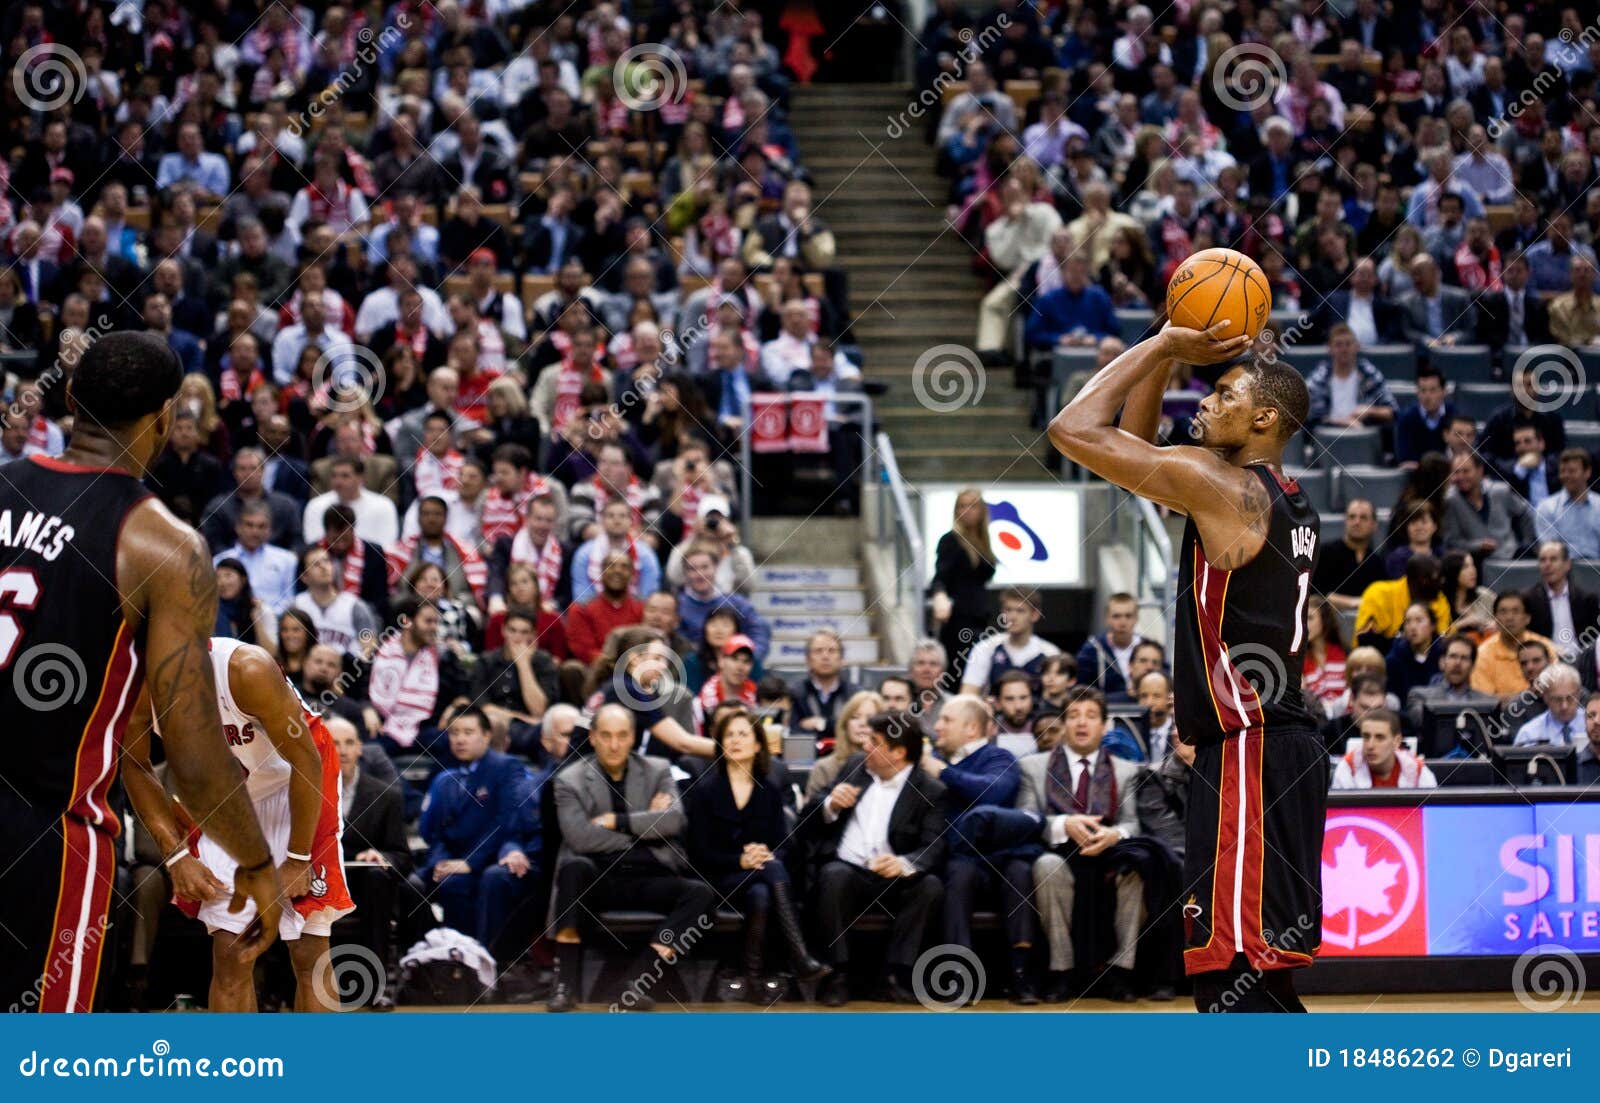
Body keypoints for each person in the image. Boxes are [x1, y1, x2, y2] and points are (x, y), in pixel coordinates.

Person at [1049, 321, 1328, 1012]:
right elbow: (1140, 456)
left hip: (1250, 755)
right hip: (1274, 751)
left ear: (1264, 416)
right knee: (1258, 974)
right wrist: (1164, 355)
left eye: (1224, 392)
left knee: (1232, 979)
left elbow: (1072, 428)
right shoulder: (1279, 496)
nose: (1206, 401)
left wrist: (1161, 345)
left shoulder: (1220, 486)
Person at [0, 332, 280, 1012]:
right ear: (165, 414)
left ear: (69, 400)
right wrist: (256, 861)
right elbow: (190, 746)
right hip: (48, 836)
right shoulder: (164, 544)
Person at [125, 637, 353, 1012]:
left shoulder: (248, 669)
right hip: (230, 800)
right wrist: (177, 855)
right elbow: (135, 764)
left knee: (308, 947)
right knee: (231, 951)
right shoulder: (135, 689)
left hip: (296, 783)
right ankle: (239, 1064)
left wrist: (297, 858)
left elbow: (307, 763)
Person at [545, 704, 716, 1013]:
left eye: (622, 736)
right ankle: (564, 985)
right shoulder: (569, 779)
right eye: (606, 736)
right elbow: (580, 837)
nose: (614, 744)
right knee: (572, 868)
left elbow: (674, 821)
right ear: (593, 738)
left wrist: (617, 820)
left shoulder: (658, 769)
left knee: (700, 894)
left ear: (633, 737)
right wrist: (646, 825)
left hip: (648, 874)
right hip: (598, 877)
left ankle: (636, 983)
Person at [683, 705, 829, 1002]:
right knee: (772, 873)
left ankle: (752, 979)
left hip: (759, 882)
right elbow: (697, 854)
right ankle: (799, 956)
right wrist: (740, 859)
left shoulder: (769, 791)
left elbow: (784, 845)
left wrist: (764, 854)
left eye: (743, 734)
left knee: (762, 891)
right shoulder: (704, 791)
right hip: (718, 880)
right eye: (729, 735)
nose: (735, 740)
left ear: (758, 744)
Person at [811, 710, 948, 1007]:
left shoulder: (931, 790)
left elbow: (935, 844)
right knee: (833, 875)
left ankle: (895, 977)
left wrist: (905, 863)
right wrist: (830, 804)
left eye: (874, 742)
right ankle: (838, 975)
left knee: (931, 886)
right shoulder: (853, 767)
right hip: (850, 872)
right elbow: (808, 813)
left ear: (898, 753)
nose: (865, 747)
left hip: (895, 878)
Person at [1019, 686, 1144, 1003]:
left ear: (1104, 726)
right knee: (1046, 867)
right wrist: (1063, 824)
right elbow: (1025, 819)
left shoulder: (1126, 771)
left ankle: (1121, 972)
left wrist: (1113, 835)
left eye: (1090, 716)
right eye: (1073, 716)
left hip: (1108, 854)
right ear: (1062, 725)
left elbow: (1133, 824)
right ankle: (1062, 972)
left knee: (1136, 870)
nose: (1081, 723)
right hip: (1057, 853)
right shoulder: (1033, 767)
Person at [924, 695, 1036, 1003]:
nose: (938, 726)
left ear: (972, 728)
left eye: (946, 720)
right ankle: (959, 973)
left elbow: (991, 793)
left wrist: (942, 771)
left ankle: (1020, 975)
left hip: (1001, 856)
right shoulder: (931, 759)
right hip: (957, 857)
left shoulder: (999, 757)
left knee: (1020, 872)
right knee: (958, 872)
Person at [417, 708, 526, 945]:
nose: (460, 739)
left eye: (468, 732)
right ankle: (426, 962)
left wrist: (470, 862)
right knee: (412, 885)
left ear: (486, 735)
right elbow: (434, 832)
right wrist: (440, 861)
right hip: (453, 859)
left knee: (464, 883)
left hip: (488, 859)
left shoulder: (505, 767)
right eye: (454, 732)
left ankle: (476, 963)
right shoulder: (444, 776)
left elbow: (505, 822)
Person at [929, 488, 997, 679]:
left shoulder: (982, 542)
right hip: (959, 620)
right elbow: (940, 576)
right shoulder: (951, 540)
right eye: (962, 506)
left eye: (972, 506)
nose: (967, 511)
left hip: (979, 618)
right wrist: (939, 596)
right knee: (961, 672)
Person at [961, 587, 1061, 697]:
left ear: (1035, 615)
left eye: (1020, 611)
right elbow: (967, 695)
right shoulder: (985, 648)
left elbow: (1057, 698)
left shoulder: (1050, 653)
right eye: (1008, 610)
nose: (1012, 617)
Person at [292, 546, 377, 661]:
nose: (323, 567)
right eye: (316, 564)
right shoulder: (297, 605)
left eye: (326, 561)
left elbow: (369, 647)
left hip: (347, 673)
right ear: (304, 577)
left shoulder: (354, 606)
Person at [1471, 592, 1555, 703]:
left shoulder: (1546, 646)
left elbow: (1557, 689)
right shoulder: (1483, 653)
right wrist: (1527, 696)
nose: (1509, 618)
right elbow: (1485, 701)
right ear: (1495, 618)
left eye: (1516, 611)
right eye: (1503, 612)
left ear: (1527, 618)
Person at [803, 689, 882, 805]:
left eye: (870, 718)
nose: (863, 723)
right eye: (855, 717)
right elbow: (810, 816)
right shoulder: (824, 768)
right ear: (845, 724)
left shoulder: (892, 767)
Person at [1355, 553, 1451, 648]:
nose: (1440, 584)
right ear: (1421, 580)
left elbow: (1443, 639)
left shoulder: (1439, 599)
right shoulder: (1379, 593)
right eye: (1435, 579)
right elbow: (1363, 638)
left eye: (1441, 579)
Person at [1405, 635, 1499, 732]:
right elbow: (1420, 722)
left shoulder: (1487, 703)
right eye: (1453, 656)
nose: (1457, 663)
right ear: (1442, 662)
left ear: (1472, 667)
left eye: (1464, 658)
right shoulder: (1420, 697)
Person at [1524, 540, 1600, 657]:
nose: (1547, 564)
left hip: (1582, 662)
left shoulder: (1586, 598)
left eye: (1553, 559)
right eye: (1543, 560)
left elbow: (1595, 637)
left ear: (1567, 564)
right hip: (1546, 662)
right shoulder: (1528, 599)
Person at [1331, 709, 1437, 789]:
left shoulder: (1417, 770)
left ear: (1397, 741)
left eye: (1380, 737)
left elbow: (1431, 813)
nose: (1370, 745)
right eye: (1366, 736)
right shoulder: (1348, 768)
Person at [1312, 499, 1388, 612]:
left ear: (1374, 525)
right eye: (1352, 517)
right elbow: (1314, 596)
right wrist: (1353, 603)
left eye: (1363, 518)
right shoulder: (1325, 553)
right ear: (1345, 521)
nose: (1357, 522)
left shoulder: (1377, 562)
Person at [788, 629, 857, 744]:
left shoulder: (854, 694)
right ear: (808, 660)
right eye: (818, 651)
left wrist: (821, 724)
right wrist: (836, 726)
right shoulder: (795, 692)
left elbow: (853, 731)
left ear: (842, 659)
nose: (825, 656)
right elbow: (794, 732)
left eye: (832, 651)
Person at [1535, 450, 1600, 561]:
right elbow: (1551, 552)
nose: (1566, 476)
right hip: (1562, 572)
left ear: (1587, 472)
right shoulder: (1546, 507)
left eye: (1572, 471)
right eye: (1563, 471)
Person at [1385, 603, 1444, 704]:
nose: (1412, 627)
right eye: (1407, 622)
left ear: (1432, 625)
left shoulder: (1445, 655)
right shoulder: (1394, 659)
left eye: (1419, 620)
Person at [1513, 664, 1585, 747]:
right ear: (1545, 697)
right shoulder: (1529, 735)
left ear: (1579, 694)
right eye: (1557, 699)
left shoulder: (1594, 726)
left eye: (1570, 698)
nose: (1564, 706)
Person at [1440, 549, 1498, 637]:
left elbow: (1505, 619)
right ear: (1452, 572)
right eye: (1465, 567)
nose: (1473, 571)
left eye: (1473, 565)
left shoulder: (1485, 595)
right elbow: (1439, 636)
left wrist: (1495, 624)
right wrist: (1462, 623)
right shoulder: (1440, 600)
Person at [992, 670, 1039, 755]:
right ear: (998, 703)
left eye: (1023, 698)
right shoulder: (990, 733)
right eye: (1009, 699)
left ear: (1032, 699)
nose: (1018, 706)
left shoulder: (1044, 729)